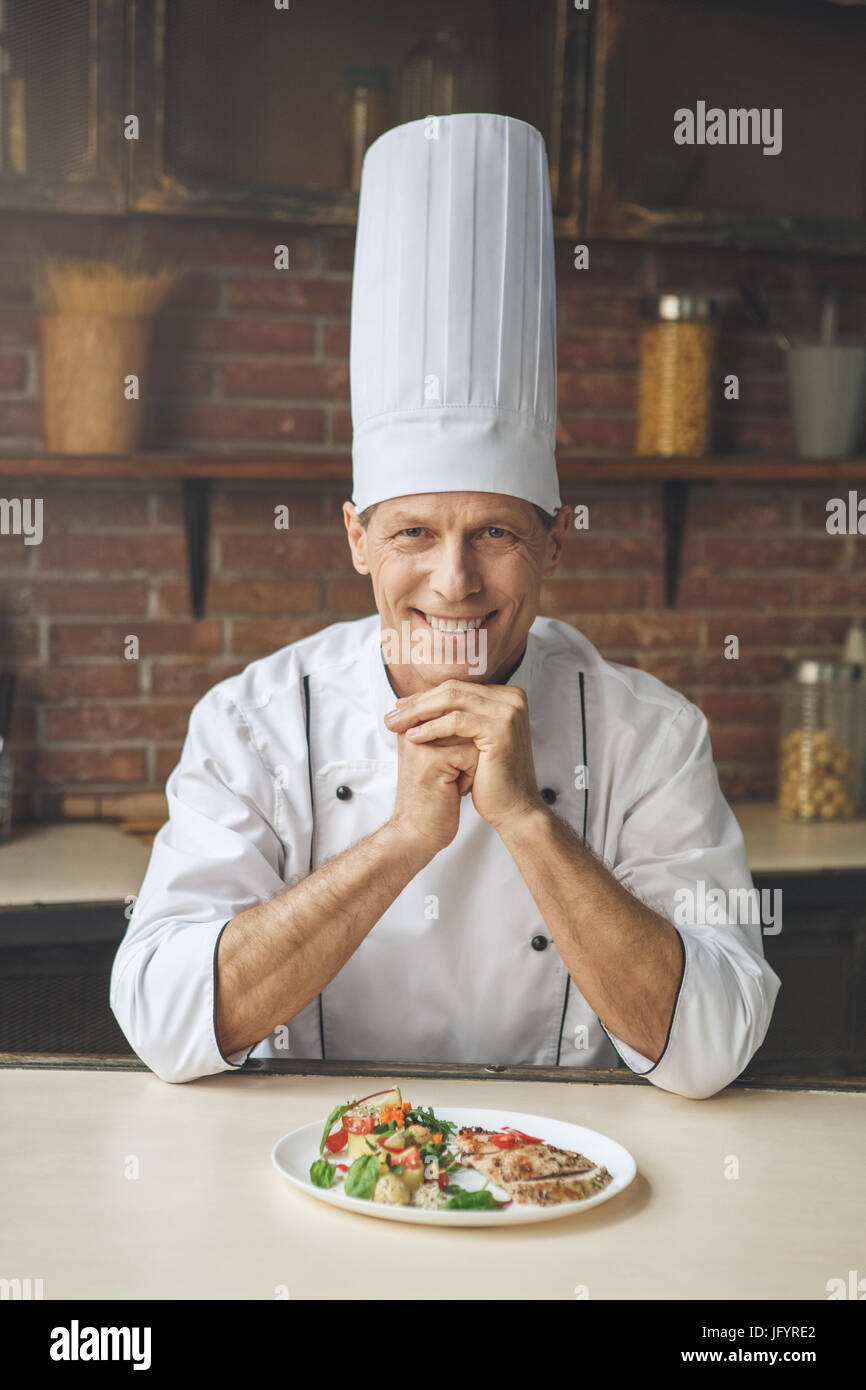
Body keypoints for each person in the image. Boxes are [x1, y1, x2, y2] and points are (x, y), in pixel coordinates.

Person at [110, 113, 779, 1096]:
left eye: (495, 534)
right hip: (316, 1167)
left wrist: (526, 822)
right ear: (355, 540)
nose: (454, 581)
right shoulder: (254, 719)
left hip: (561, 1172)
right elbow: (163, 1020)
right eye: (413, 532)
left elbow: (714, 1046)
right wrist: (400, 842)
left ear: (553, 538)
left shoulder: (650, 733)